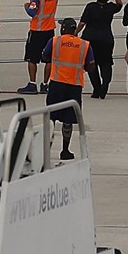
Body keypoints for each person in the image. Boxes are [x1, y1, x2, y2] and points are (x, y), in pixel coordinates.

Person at [39, 16, 92, 159]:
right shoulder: (84, 45)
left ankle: (45, 150)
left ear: (63, 29)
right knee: (68, 120)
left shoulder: (55, 41)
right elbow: (91, 65)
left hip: (56, 84)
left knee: (51, 118)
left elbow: (44, 56)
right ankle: (65, 150)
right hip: (74, 86)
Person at [18, 0, 67, 94]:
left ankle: (32, 83)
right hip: (49, 31)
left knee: (32, 58)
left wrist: (26, 6)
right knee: (48, 59)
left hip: (36, 31)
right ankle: (45, 84)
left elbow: (32, 12)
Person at [79, 0, 123, 99]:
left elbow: (83, 22)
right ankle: (105, 84)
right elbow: (119, 4)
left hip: (90, 38)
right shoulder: (110, 8)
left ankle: (96, 88)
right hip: (105, 39)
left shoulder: (90, 7)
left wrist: (75, 32)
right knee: (106, 63)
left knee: (91, 64)